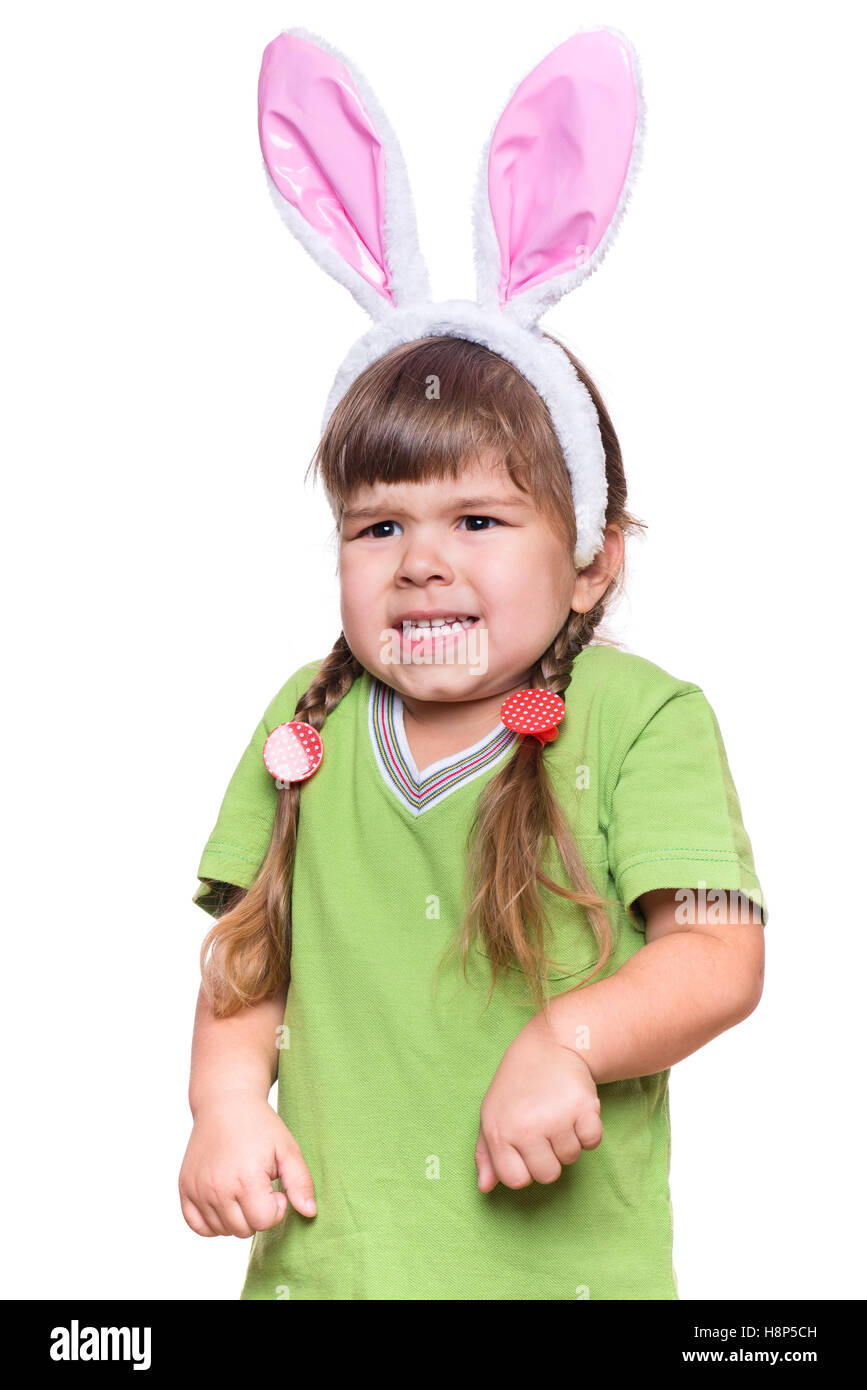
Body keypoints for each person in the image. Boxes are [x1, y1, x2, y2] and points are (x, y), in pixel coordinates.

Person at [178, 27, 767, 1301]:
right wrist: (224, 1106)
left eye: (480, 522)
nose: (422, 562)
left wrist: (573, 1033)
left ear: (595, 556)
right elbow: (247, 952)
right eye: (379, 525)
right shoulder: (308, 717)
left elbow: (719, 956)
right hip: (333, 1273)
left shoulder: (641, 717)